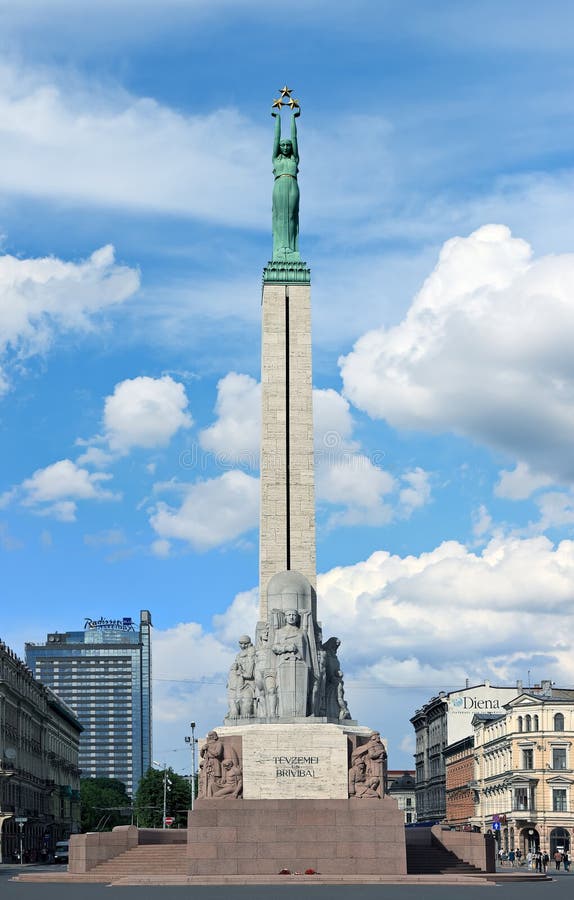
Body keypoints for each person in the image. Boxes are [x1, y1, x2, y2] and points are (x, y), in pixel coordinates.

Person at [271, 109, 301, 261]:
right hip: (279, 185)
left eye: (287, 145)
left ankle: (290, 247)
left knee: (291, 216)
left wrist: (293, 118)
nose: (285, 147)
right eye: (282, 145)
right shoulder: (276, 159)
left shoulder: (294, 159)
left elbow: (294, 138)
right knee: (280, 216)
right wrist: (277, 118)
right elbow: (276, 138)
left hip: (292, 185)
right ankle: (280, 247)